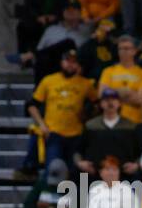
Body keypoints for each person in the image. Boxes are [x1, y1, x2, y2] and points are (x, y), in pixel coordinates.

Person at [25, 48, 96, 178]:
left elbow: (97, 104)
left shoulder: (86, 84)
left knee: (74, 173)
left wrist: (87, 115)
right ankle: (49, 197)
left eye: (74, 62)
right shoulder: (49, 81)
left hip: (76, 135)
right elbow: (31, 105)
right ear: (61, 62)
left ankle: (72, 198)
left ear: (79, 65)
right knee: (53, 170)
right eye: (67, 61)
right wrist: (42, 125)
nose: (70, 64)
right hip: (54, 133)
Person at [97, 36, 142, 126]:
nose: (123, 51)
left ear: (134, 51)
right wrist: (128, 92)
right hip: (112, 122)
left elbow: (140, 100)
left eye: (127, 48)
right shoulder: (108, 71)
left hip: (134, 122)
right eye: (120, 49)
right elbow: (101, 95)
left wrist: (114, 94)